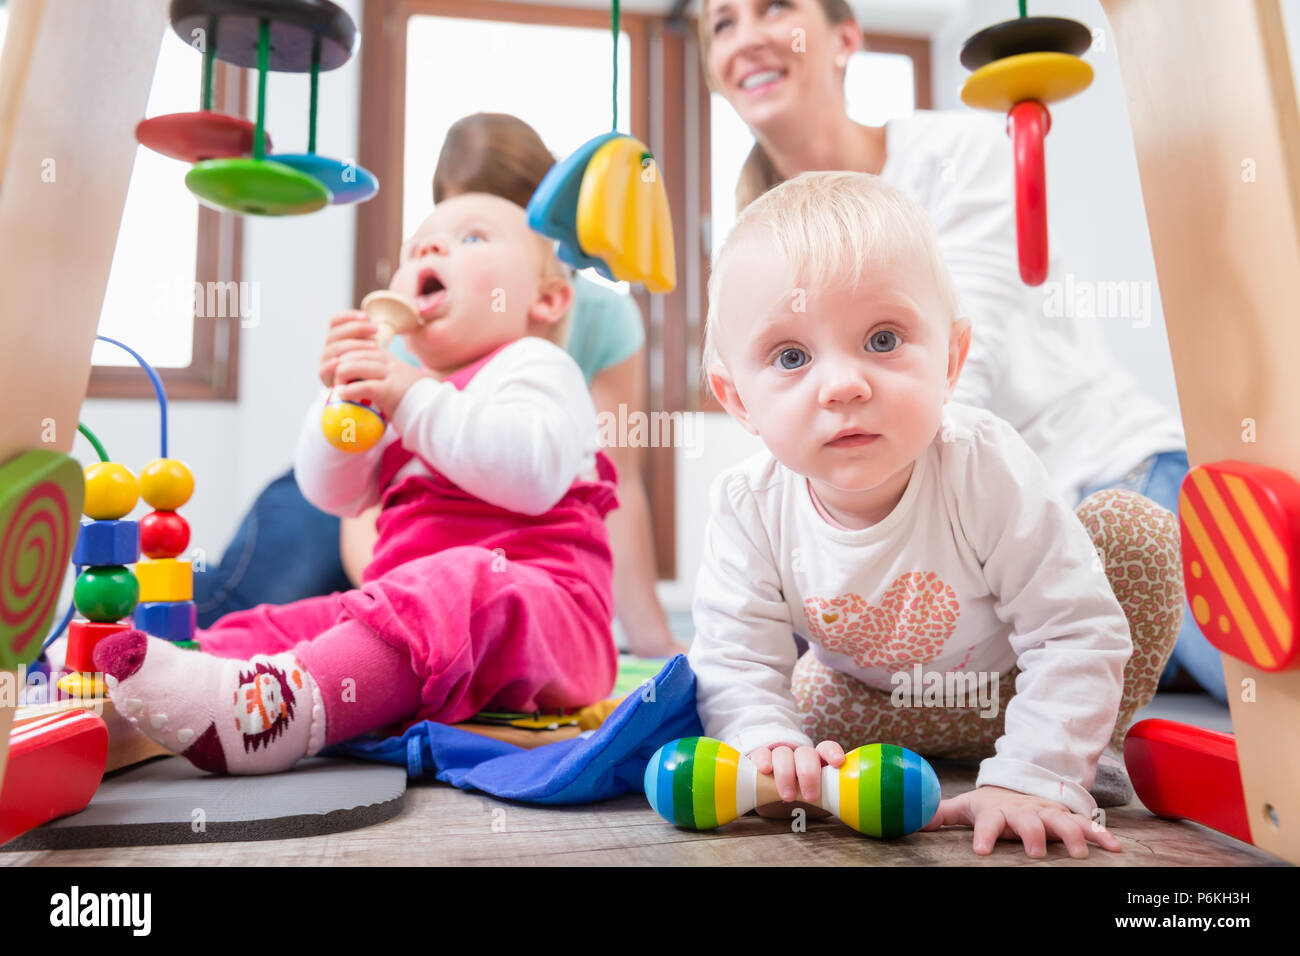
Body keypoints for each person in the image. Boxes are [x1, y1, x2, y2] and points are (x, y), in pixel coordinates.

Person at [698, 0, 1219, 702]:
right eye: (723, 23)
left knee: (1255, 668)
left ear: (845, 36)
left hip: (1103, 472)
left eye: (775, 9)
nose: (749, 37)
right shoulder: (759, 239)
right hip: (958, 548)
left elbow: (967, 364)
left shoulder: (955, 153)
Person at [690, 170, 1184, 857]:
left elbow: (1072, 629)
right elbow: (735, 657)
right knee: (802, 699)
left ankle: (1068, 751)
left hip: (1018, 687)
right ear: (738, 399)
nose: (844, 385)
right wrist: (766, 746)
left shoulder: (982, 464)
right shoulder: (748, 504)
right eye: (793, 356)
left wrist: (1033, 777)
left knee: (1136, 532)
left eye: (884, 340)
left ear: (950, 359)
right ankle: (868, 759)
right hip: (878, 706)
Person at [94, 193, 620, 774]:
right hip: (413, 623)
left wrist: (407, 395)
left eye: (471, 238)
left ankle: (274, 717)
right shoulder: (402, 389)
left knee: (458, 580)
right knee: (288, 622)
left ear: (546, 298)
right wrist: (342, 401)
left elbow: (533, 474)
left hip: (547, 622)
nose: (431, 246)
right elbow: (331, 493)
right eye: (416, 244)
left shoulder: (537, 365)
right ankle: (184, 675)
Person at [195, 113, 684, 659]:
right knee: (241, 613)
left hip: (460, 531)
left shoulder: (588, 327)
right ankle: (148, 648)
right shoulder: (420, 324)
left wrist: (651, 639)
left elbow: (615, 482)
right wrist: (392, 612)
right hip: (370, 510)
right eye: (429, 238)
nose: (439, 252)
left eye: (480, 233)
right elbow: (355, 509)